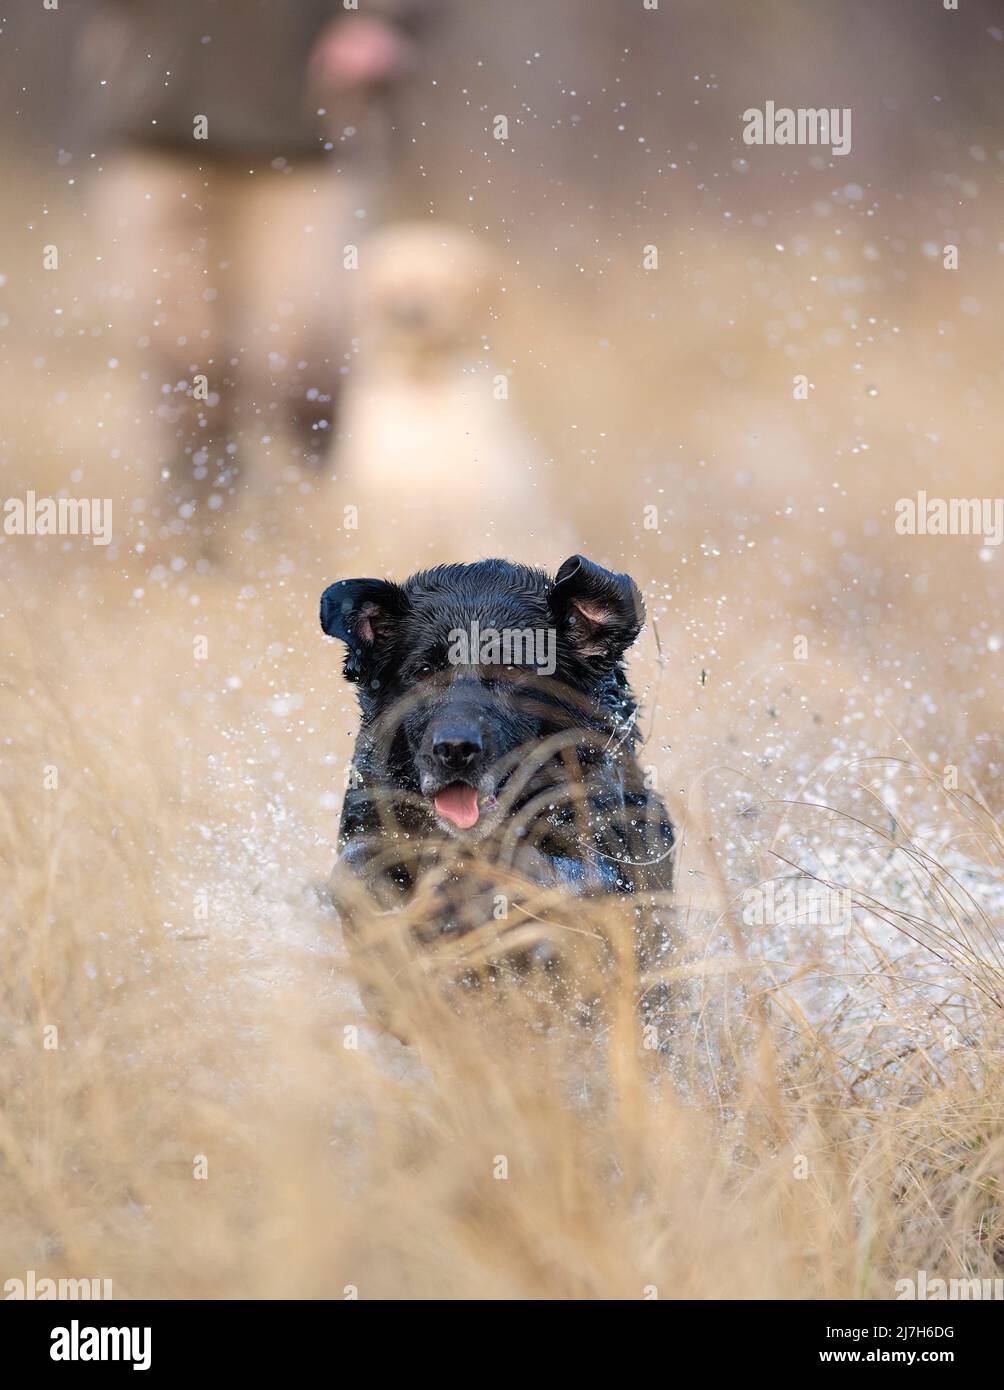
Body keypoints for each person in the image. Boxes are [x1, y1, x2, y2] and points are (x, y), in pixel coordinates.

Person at [77, 1, 426, 552]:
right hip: (154, 125)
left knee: (309, 344)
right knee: (180, 342)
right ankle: (197, 529)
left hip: (308, 136)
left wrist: (382, 21)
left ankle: (317, 525)